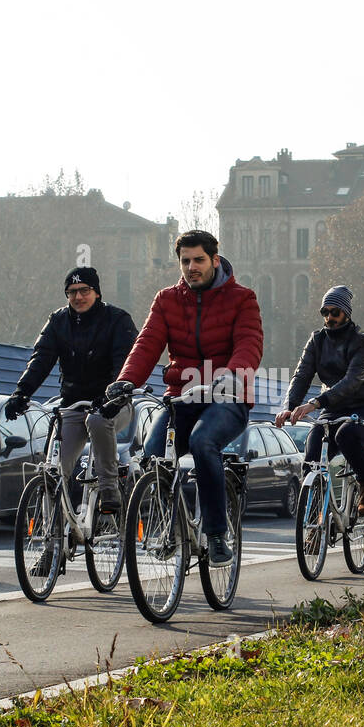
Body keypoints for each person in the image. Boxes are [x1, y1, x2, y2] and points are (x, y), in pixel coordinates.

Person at [105, 230, 263, 566]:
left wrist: (233, 373)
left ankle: (218, 535)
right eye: (185, 261)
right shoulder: (167, 300)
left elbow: (249, 343)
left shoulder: (242, 298)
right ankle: (172, 526)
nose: (192, 267)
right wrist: (126, 381)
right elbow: (147, 344)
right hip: (182, 396)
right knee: (151, 456)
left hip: (227, 395)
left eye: (199, 260)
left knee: (203, 442)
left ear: (215, 261)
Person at [5, 267, 138, 513]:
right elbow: (41, 360)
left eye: (84, 290)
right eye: (71, 292)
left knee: (98, 421)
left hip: (112, 404)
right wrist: (21, 393)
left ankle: (109, 488)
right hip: (73, 404)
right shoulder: (58, 321)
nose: (78, 297)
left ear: (96, 292)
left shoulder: (117, 320)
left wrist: (114, 394)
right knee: (54, 470)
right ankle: (51, 539)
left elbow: (125, 362)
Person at [275, 285, 364, 517]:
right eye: (324, 312)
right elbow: (301, 375)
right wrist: (289, 407)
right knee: (312, 454)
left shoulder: (362, 343)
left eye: (334, 312)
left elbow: (351, 382)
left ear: (346, 313)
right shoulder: (316, 341)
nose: (329, 318)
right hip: (332, 411)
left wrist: (315, 403)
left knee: (345, 434)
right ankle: (316, 523)